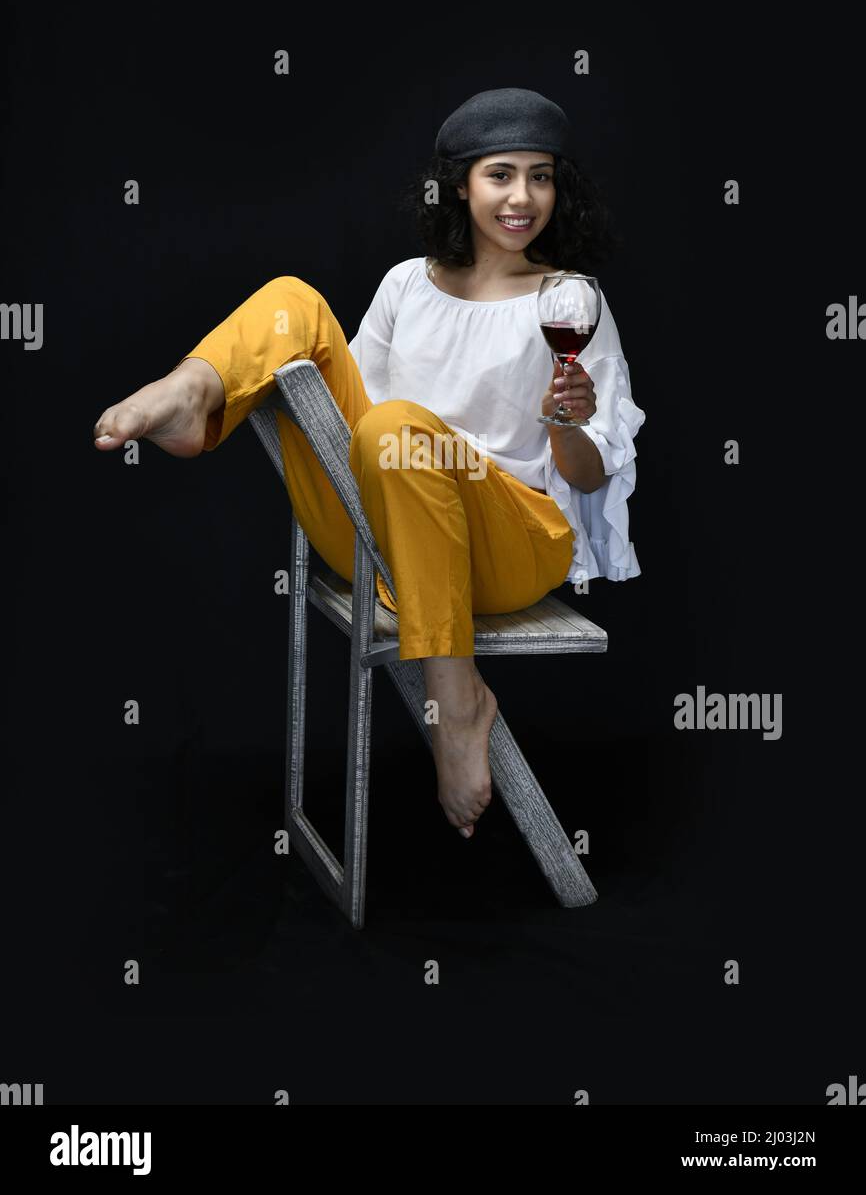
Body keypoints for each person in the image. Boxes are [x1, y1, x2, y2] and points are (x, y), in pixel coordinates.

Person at [93, 87, 646, 841]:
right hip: (386, 540)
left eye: (541, 176)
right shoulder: (404, 285)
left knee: (398, 426)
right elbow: (352, 435)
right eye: (501, 174)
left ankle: (459, 704)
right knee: (295, 303)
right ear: (460, 183)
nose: (523, 197)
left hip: (510, 544)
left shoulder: (569, 301)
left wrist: (565, 421)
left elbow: (586, 477)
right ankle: (194, 391)